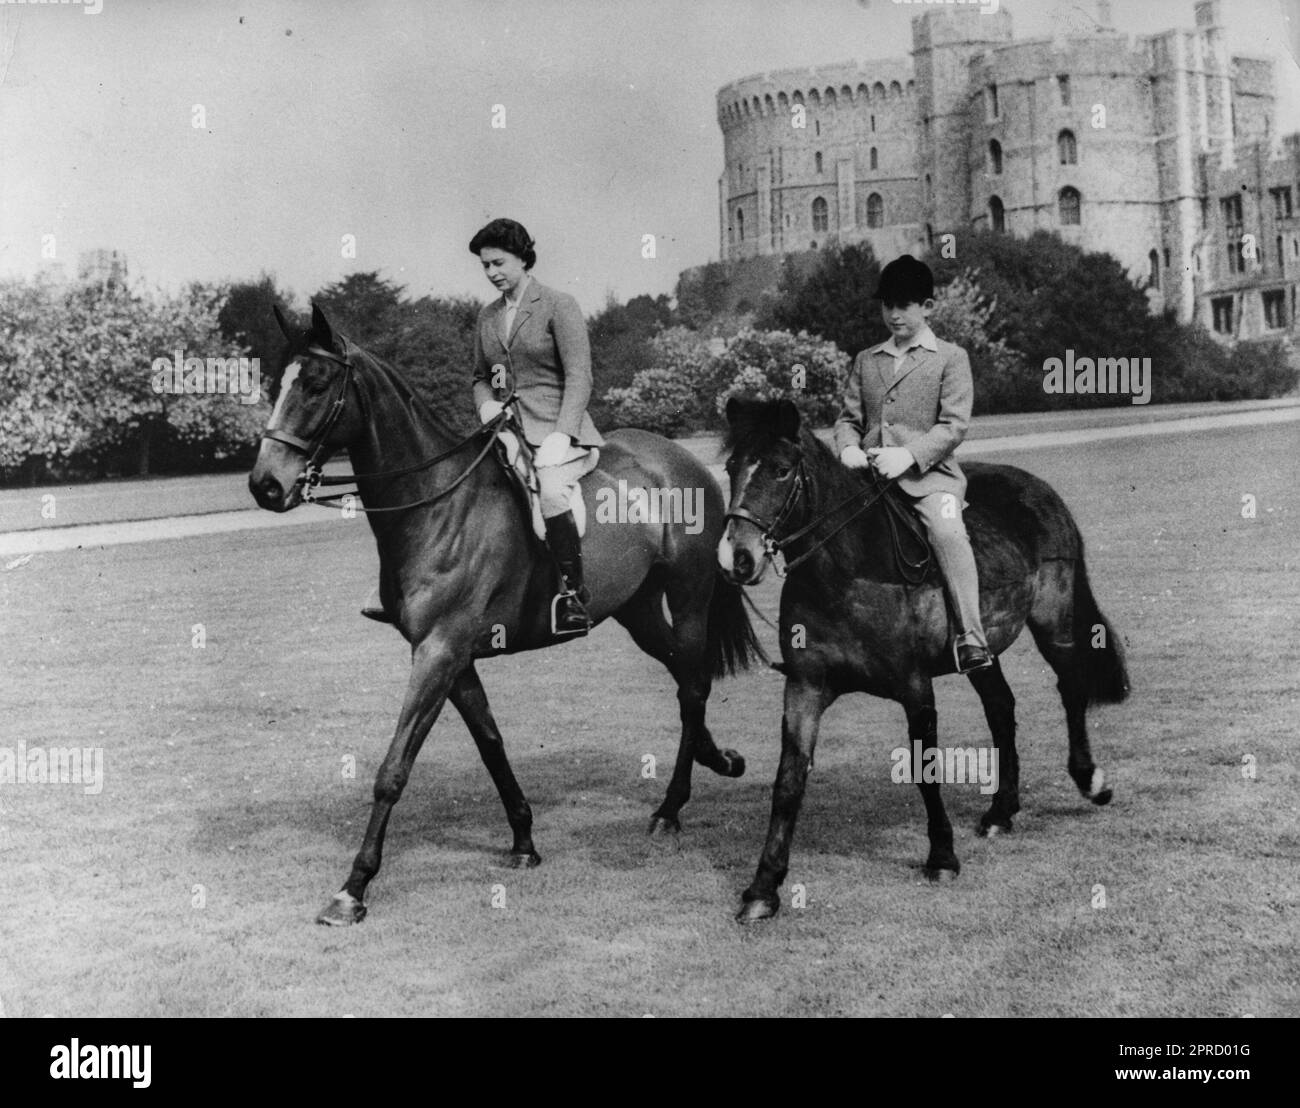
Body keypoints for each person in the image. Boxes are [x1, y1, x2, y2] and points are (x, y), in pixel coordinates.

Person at [364, 218, 603, 635]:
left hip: (558, 430)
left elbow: (580, 376)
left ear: (523, 258)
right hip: (505, 429)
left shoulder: (558, 305)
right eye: (485, 266)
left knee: (550, 492)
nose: (492, 273)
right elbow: (479, 376)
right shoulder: (487, 316)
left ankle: (572, 595)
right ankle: (416, 588)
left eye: (498, 263)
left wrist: (562, 434)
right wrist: (486, 406)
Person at [832, 254, 993, 673]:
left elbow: (954, 426)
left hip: (929, 479)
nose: (894, 314)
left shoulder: (950, 358)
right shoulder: (867, 359)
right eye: (887, 305)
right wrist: (848, 447)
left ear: (928, 307)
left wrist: (909, 454)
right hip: (867, 478)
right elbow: (849, 419)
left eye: (904, 305)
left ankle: (971, 639)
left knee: (948, 531)